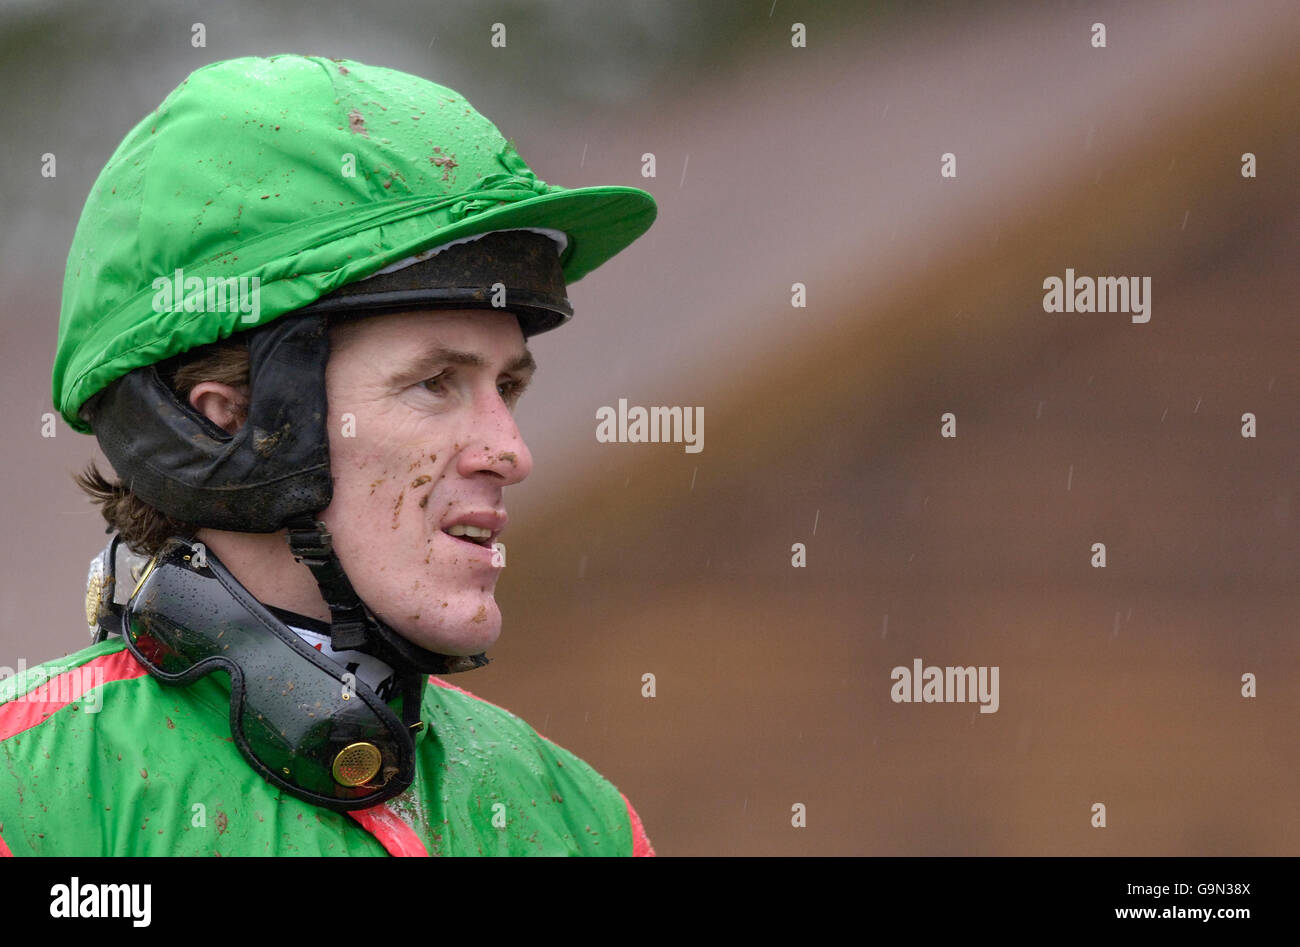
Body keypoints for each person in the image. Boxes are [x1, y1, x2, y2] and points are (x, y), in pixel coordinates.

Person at [0, 55, 656, 856]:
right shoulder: (28, 794)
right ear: (228, 422)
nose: (509, 451)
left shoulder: (584, 822)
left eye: (507, 388)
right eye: (435, 383)